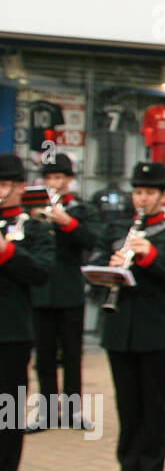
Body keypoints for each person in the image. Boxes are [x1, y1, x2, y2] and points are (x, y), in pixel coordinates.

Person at [95, 161, 165, 471]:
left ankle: (151, 470)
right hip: (120, 328)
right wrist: (109, 266)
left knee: (154, 402)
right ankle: (128, 468)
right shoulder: (117, 229)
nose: (142, 199)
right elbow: (93, 268)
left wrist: (151, 255)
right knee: (127, 403)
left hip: (157, 330)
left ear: (162, 195)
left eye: (149, 193)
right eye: (138, 192)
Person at [30, 153, 98, 431]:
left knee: (71, 355)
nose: (54, 183)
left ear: (69, 180)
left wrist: (66, 221)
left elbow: (91, 241)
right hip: (40, 293)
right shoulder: (33, 210)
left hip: (69, 291)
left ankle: (72, 412)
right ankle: (46, 413)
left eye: (59, 178)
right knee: (44, 356)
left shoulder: (81, 209)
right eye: (49, 178)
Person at [0, 153, 54, 471]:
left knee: (7, 405)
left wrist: (7, 253)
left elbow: (41, 271)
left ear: (20, 187)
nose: (1, 192)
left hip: (12, 330)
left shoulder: (34, 226)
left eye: (6, 185)